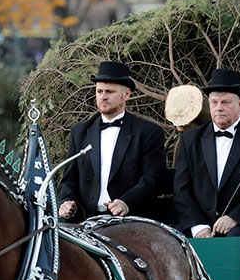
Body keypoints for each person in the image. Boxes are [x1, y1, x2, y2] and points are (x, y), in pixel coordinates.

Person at [173, 68, 240, 237]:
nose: (219, 108)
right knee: (166, 241)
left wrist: (235, 218)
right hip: (199, 224)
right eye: (214, 102)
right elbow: (181, 189)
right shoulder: (190, 140)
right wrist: (198, 226)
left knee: (231, 243)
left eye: (225, 102)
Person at [58, 60, 169, 221]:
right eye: (99, 91)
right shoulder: (80, 131)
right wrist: (66, 201)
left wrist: (126, 202)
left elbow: (154, 178)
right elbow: (69, 179)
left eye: (109, 92)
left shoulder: (148, 132)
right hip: (85, 221)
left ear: (127, 94)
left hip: (130, 220)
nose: (103, 97)